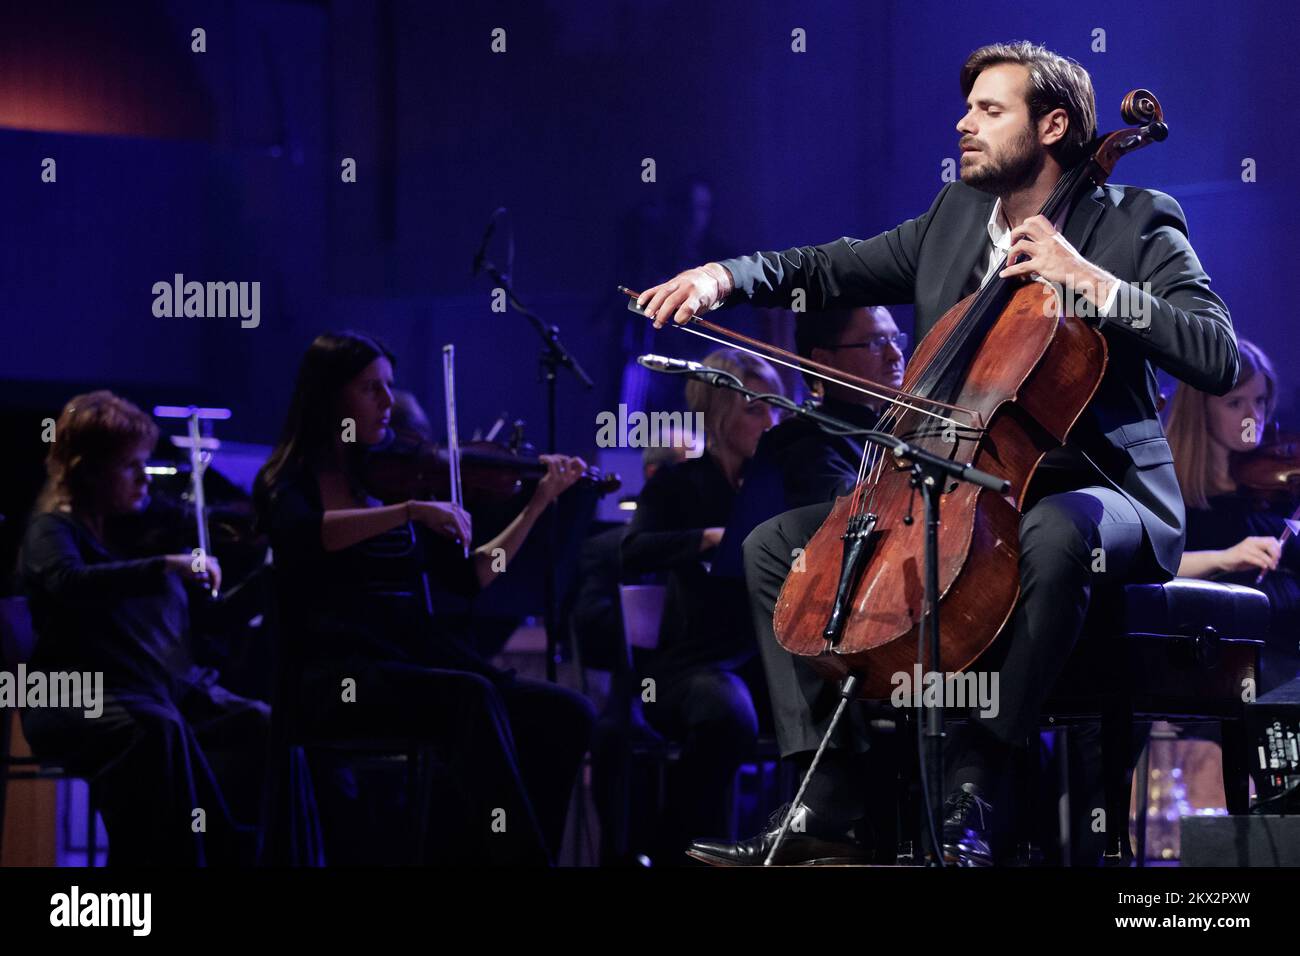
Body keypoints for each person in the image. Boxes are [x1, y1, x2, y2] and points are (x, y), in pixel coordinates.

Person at [637, 41, 1238, 865]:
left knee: (1055, 532)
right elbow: (827, 264)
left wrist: (1093, 284)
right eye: (967, 109)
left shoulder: (1137, 220)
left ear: (1052, 126)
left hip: (1104, 489)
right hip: (963, 481)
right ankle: (827, 798)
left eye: (991, 110)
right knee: (773, 548)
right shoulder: (954, 219)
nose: (964, 123)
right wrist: (723, 275)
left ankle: (979, 779)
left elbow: (1216, 353)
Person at [254, 330, 594, 864]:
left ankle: (483, 856)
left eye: (389, 387)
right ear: (330, 398)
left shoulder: (385, 479)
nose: (388, 402)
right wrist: (409, 511)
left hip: (409, 667)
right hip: (336, 679)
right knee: (467, 697)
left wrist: (538, 502)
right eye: (371, 389)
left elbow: (474, 576)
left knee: (565, 712)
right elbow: (308, 534)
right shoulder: (288, 482)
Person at [18, 391, 269, 865]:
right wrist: (168, 566)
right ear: (88, 470)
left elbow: (200, 618)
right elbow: (69, 582)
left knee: (257, 724)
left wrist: (264, 565)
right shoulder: (52, 530)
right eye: (130, 466)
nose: (143, 478)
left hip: (140, 687)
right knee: (156, 727)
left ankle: (240, 849)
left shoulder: (124, 528)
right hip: (69, 696)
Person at [616, 347, 783, 860]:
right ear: (719, 413)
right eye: (755, 408)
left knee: (855, 706)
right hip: (693, 664)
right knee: (727, 716)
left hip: (765, 656)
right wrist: (706, 538)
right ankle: (679, 852)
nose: (770, 419)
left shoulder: (777, 487)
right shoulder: (676, 483)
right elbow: (632, 552)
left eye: (774, 407)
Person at [1167, 339, 1300, 693]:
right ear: (1202, 410)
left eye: (1259, 401)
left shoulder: (1279, 484)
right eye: (1235, 403)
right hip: (1230, 655)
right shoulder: (1173, 488)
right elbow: (1156, 566)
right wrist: (1227, 557)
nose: (1253, 416)